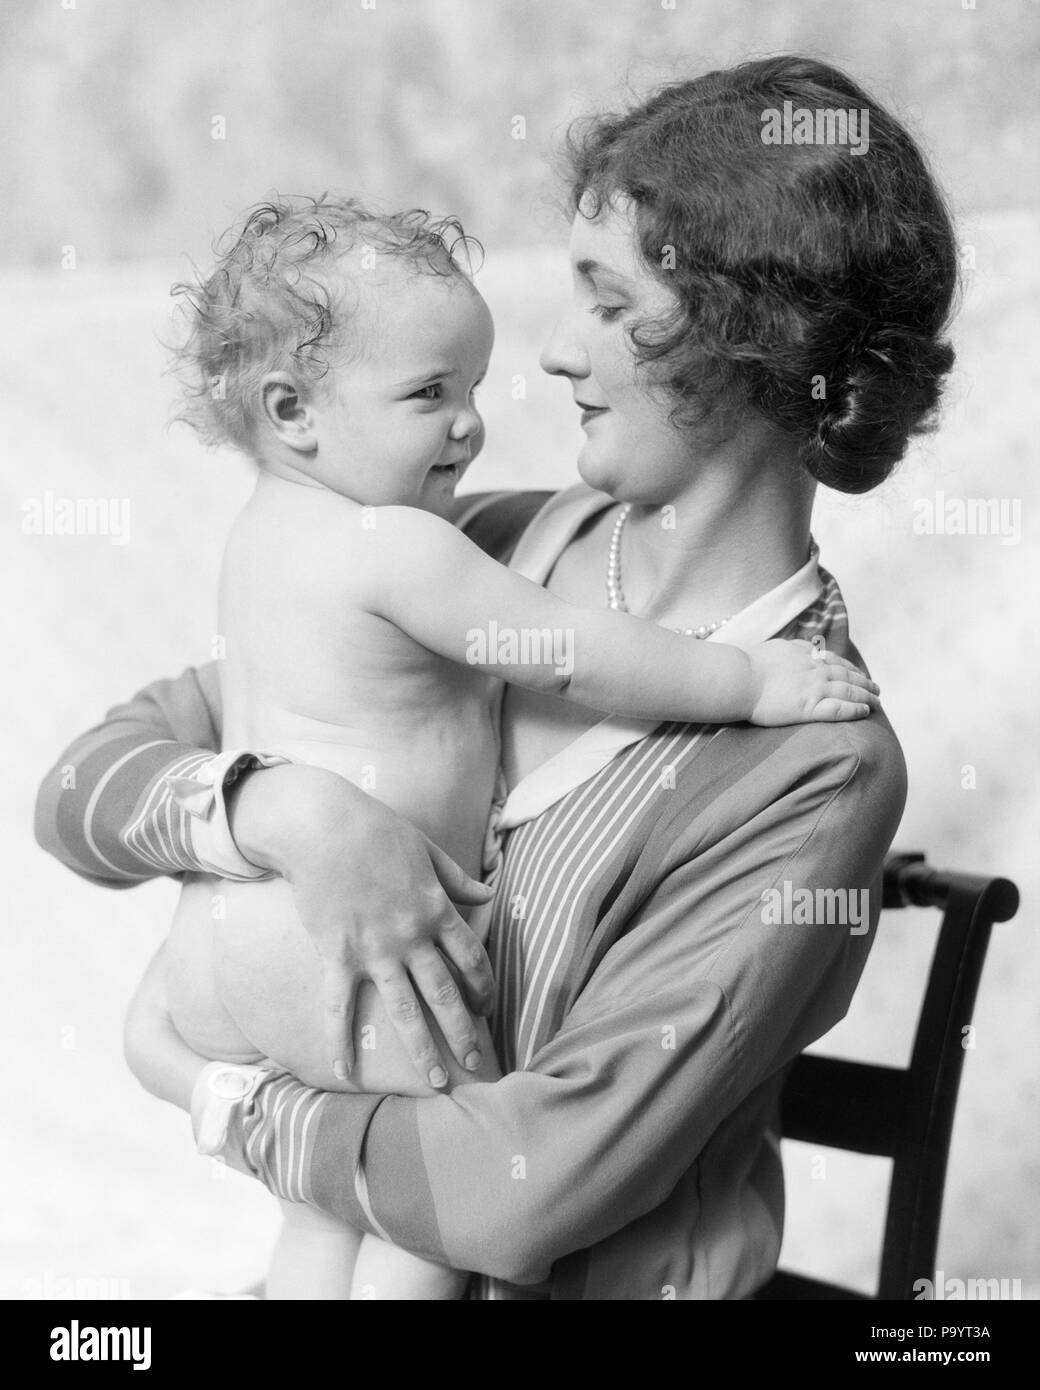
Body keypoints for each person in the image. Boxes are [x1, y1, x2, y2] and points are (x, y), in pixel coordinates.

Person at [35, 55, 959, 1299]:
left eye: (606, 300)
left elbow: (516, 1197)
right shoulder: (475, 548)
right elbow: (81, 789)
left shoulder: (814, 762)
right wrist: (286, 813)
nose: (557, 351)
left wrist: (225, 1097)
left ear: (754, 343)